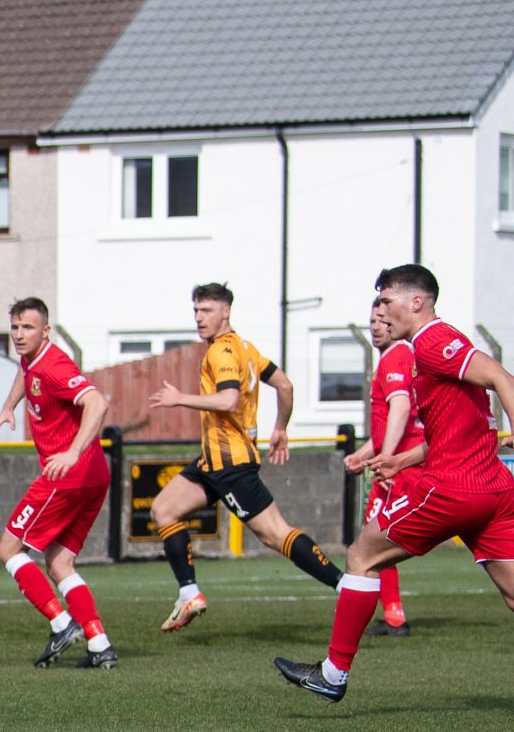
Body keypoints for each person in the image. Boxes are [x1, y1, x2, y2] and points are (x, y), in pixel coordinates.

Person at [276, 264, 514, 702]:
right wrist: (398, 458)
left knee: (361, 556)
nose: (381, 311)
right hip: (493, 489)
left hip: (454, 489)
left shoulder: (432, 342)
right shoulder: (433, 349)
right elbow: (452, 430)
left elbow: (504, 379)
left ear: (415, 302)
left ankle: (333, 673)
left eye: (387, 301)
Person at [147, 281, 341, 630]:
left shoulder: (221, 352)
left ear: (226, 312)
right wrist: (281, 427)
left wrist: (180, 399)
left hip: (231, 465)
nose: (199, 318)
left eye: (206, 310)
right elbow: (285, 384)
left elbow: (228, 400)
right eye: (196, 310)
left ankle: (344, 586)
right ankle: (189, 593)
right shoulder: (246, 347)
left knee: (275, 534)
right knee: (164, 508)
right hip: (211, 463)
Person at [0, 298, 117, 669]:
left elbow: (97, 404)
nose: (19, 335)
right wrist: (8, 406)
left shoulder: (56, 366)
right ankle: (99, 642)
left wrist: (73, 452)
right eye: (15, 327)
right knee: (60, 563)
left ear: (46, 331)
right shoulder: (33, 359)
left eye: (28, 328)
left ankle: (62, 624)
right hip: (94, 477)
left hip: (68, 474)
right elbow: (24, 372)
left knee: (9, 549)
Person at [343, 299, 426, 637]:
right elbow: (388, 423)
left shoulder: (396, 356)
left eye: (382, 318)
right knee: (374, 539)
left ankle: (392, 616)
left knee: (372, 541)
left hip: (404, 467)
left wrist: (386, 461)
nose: (376, 325)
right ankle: (392, 615)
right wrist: (366, 454)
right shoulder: (397, 357)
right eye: (372, 320)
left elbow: (401, 409)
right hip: (398, 462)